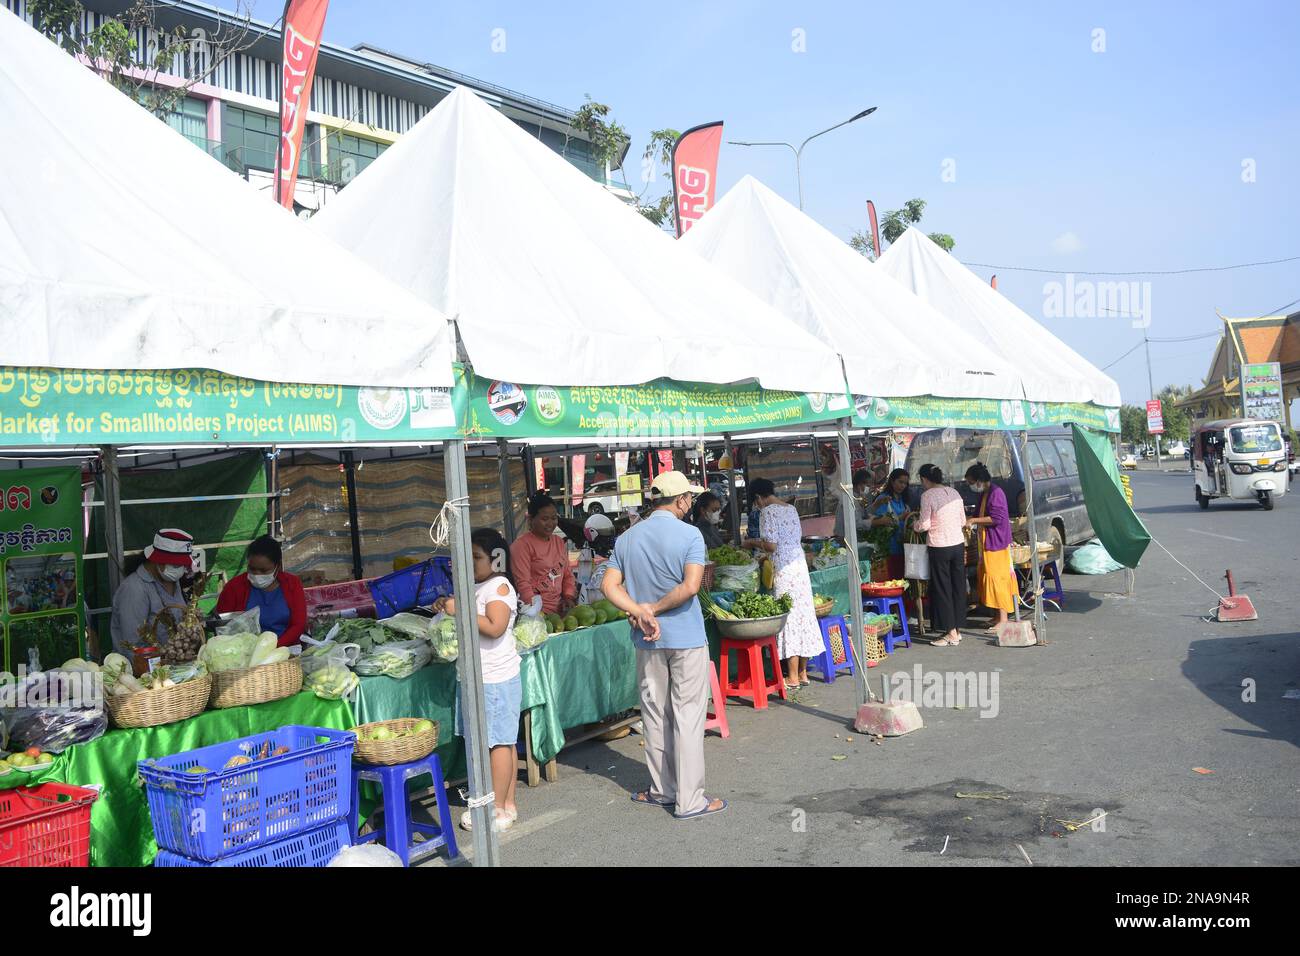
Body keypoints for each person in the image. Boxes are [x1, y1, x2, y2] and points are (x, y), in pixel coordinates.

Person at [601, 471, 726, 820]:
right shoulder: (690, 535)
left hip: (646, 641)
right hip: (685, 638)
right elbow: (690, 587)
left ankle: (662, 790)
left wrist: (637, 610)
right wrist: (651, 609)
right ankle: (690, 800)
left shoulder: (626, 539)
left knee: (655, 714)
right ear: (682, 500)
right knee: (687, 716)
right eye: (690, 498)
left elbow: (609, 586)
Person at [435, 527, 521, 832]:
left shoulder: (499, 587)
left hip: (494, 678)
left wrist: (460, 609)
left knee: (497, 743)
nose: (471, 562)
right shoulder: (479, 586)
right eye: (467, 556)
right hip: (486, 676)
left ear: (496, 559)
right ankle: (506, 804)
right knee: (503, 741)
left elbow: (495, 626)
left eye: (477, 557)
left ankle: (496, 808)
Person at [743, 478, 823, 688]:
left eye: (756, 501)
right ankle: (803, 674)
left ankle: (793, 677)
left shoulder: (767, 511)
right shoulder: (790, 508)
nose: (757, 505)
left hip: (785, 569)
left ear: (758, 497)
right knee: (804, 614)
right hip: (799, 564)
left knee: (790, 617)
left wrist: (751, 542)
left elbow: (770, 545)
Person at [109, 528, 194, 658]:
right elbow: (133, 645)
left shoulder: (173, 580)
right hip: (144, 670)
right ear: (157, 560)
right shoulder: (134, 589)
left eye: (182, 565)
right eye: (175, 565)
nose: (179, 569)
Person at [215, 535, 308, 647]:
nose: (257, 574)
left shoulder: (292, 584)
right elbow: (223, 627)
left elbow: (298, 624)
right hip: (245, 653)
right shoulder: (233, 587)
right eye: (252, 569)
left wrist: (274, 648)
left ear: (277, 566)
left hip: (284, 650)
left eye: (263, 570)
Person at [912, 465, 968, 646]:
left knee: (943, 588)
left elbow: (925, 524)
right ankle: (957, 629)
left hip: (939, 546)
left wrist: (915, 524)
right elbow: (963, 521)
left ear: (924, 479)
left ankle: (950, 632)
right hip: (957, 544)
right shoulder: (953, 492)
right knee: (957, 586)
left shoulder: (927, 496)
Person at [964, 463, 1016, 630]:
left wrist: (973, 521)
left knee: (997, 580)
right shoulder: (985, 493)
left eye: (971, 482)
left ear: (979, 481)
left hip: (997, 543)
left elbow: (996, 519)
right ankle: (995, 617)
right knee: (988, 578)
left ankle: (1003, 619)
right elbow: (979, 513)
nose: (970, 486)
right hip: (986, 543)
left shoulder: (996, 493)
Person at [511, 492, 577, 616]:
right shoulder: (521, 546)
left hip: (561, 612)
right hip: (536, 613)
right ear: (531, 519)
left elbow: (567, 574)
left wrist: (568, 597)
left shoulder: (558, 542)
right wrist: (536, 614)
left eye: (554, 518)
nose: (550, 524)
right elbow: (523, 583)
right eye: (544, 519)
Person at [868, 468, 913, 580]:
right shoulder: (883, 499)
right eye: (900, 482)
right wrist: (900, 518)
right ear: (892, 481)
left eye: (905, 483)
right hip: (889, 547)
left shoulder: (902, 499)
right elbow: (882, 521)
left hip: (903, 545)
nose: (903, 486)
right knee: (893, 578)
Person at [833, 469, 874, 543]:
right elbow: (857, 524)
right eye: (868, 485)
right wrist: (873, 522)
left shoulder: (858, 497)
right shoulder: (850, 499)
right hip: (844, 539)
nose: (869, 488)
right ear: (860, 484)